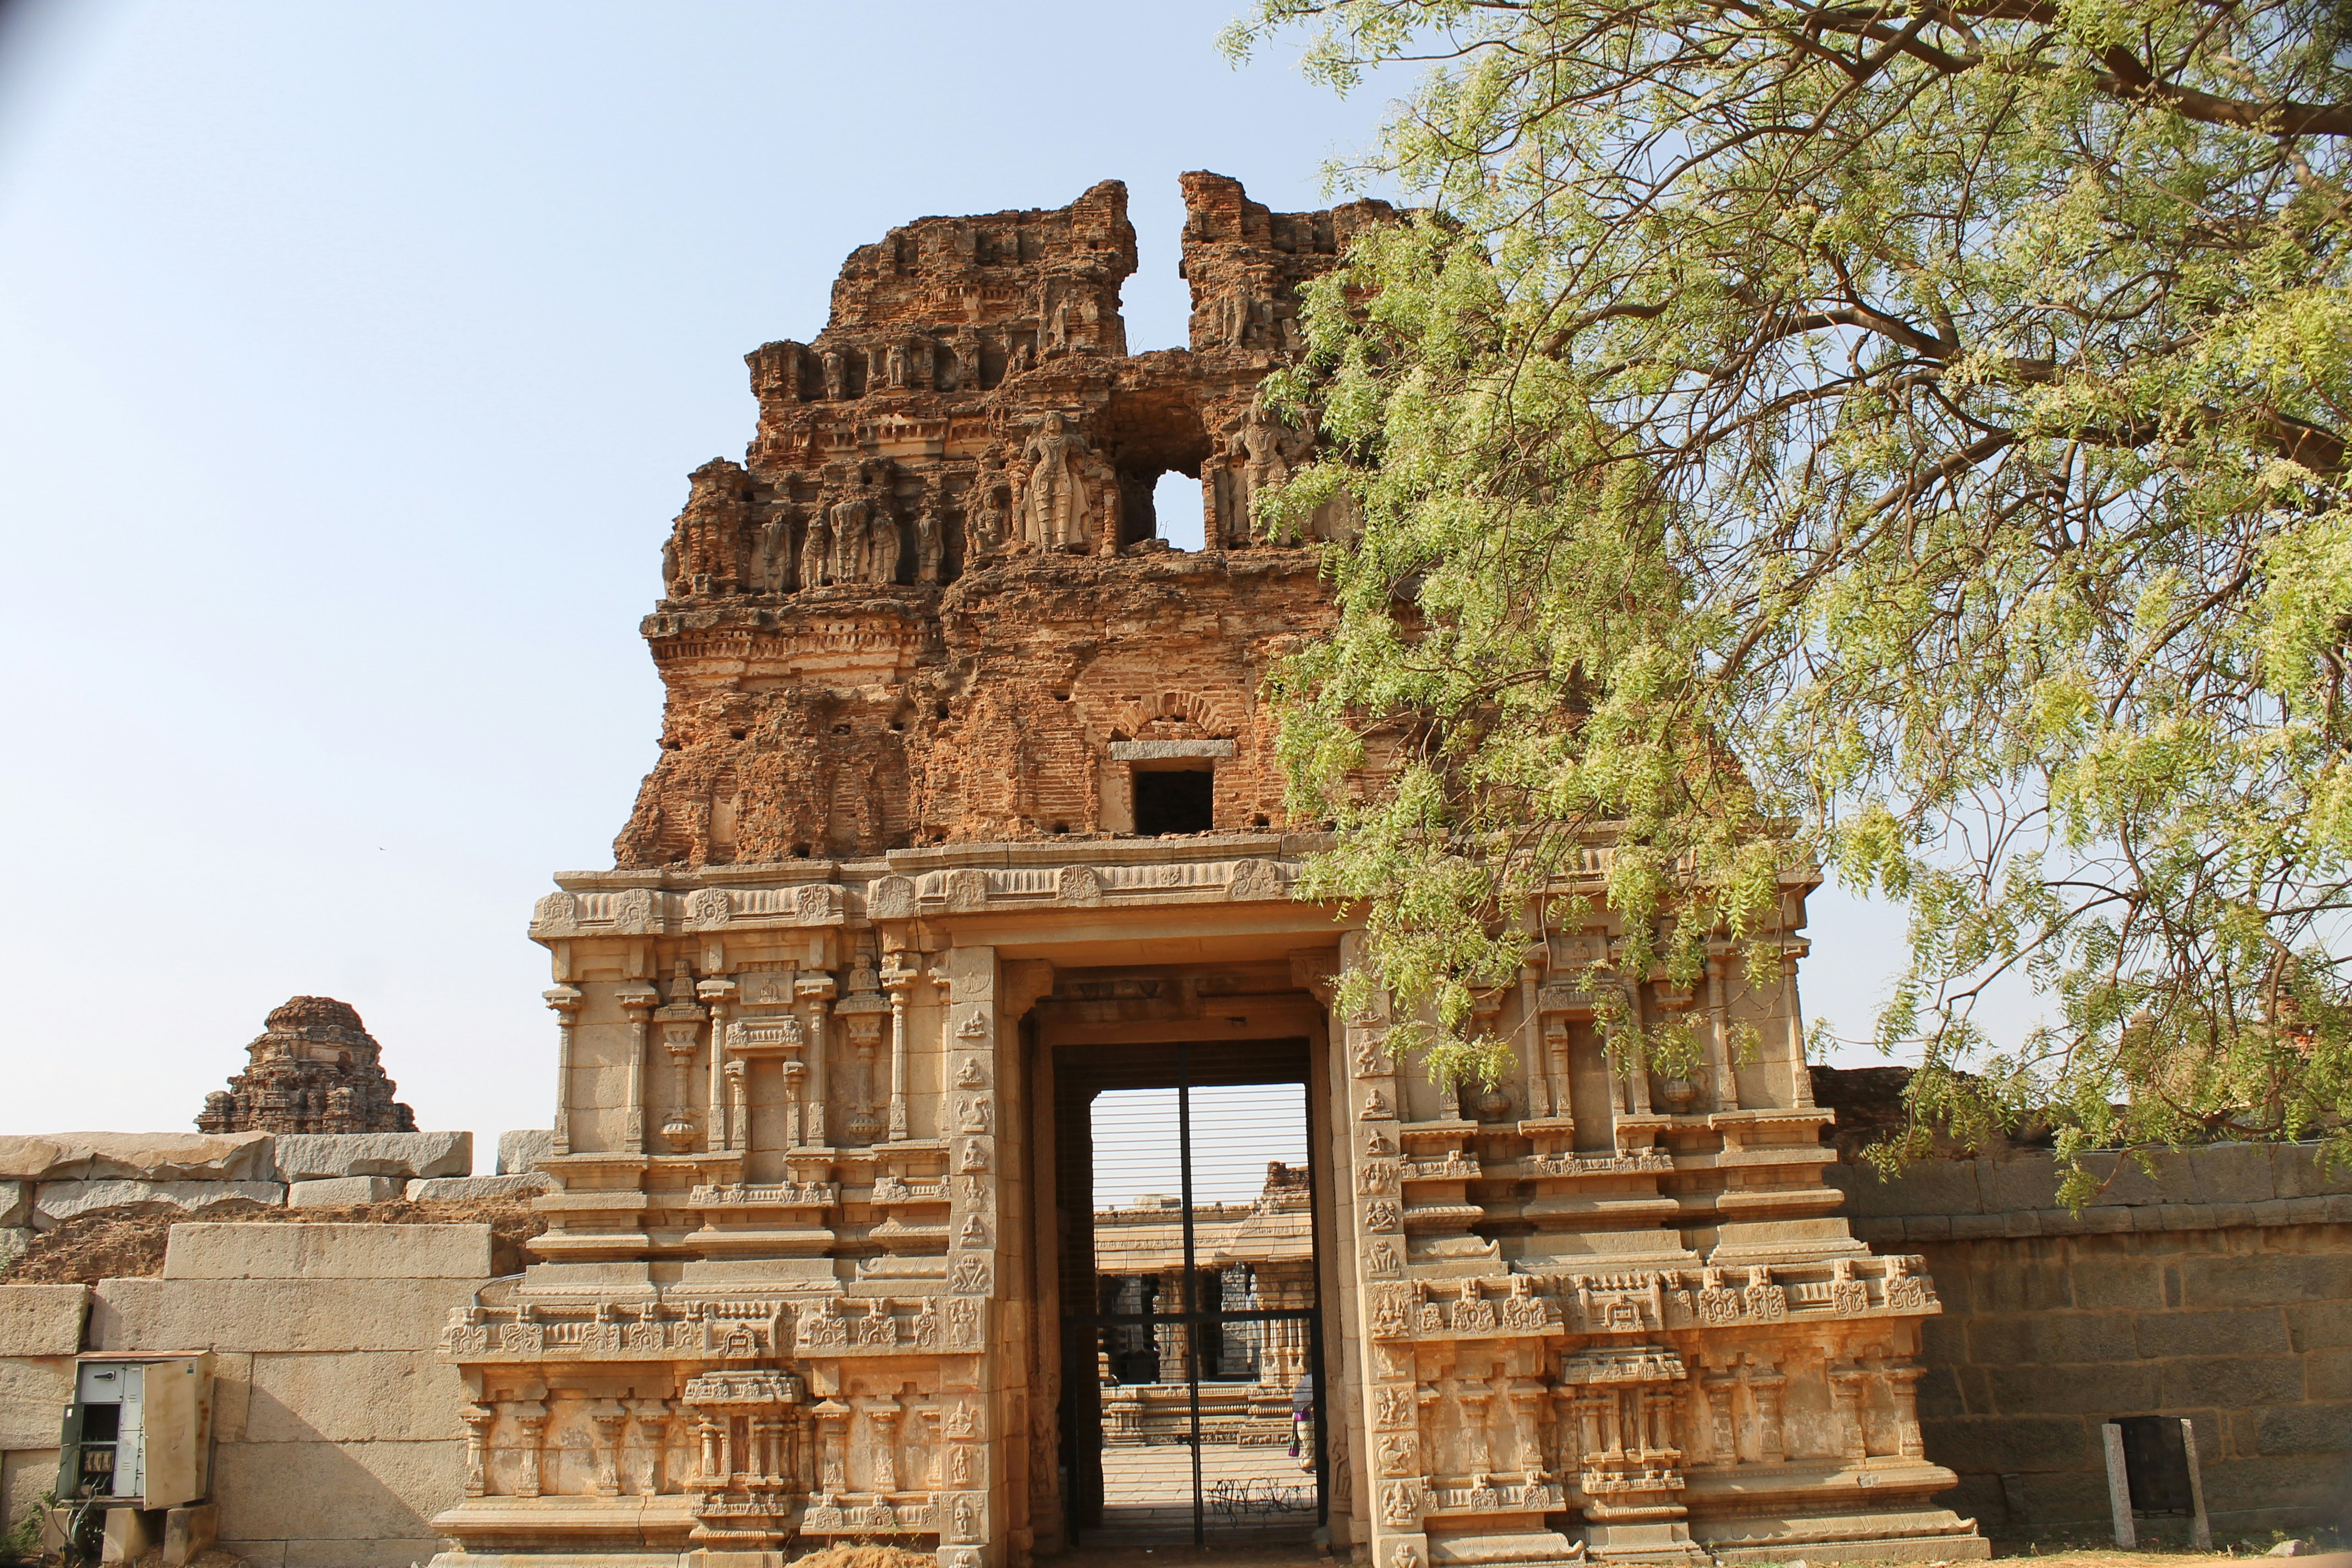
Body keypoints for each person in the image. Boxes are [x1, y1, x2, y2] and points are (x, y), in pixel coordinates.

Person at [1289, 1371, 1315, 1467]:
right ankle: (1304, 1464)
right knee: (1310, 1448)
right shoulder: (1304, 1405)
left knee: (1309, 1448)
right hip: (1305, 1425)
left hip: (1302, 1425)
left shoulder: (1299, 1402)